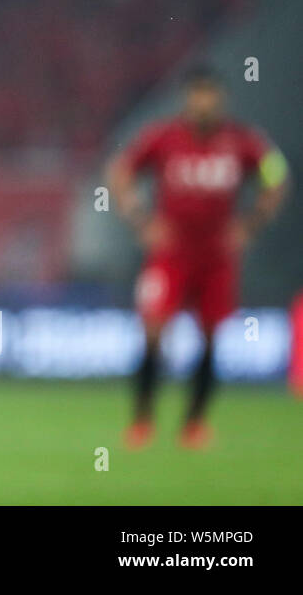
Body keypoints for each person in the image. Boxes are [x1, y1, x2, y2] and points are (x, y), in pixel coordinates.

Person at [108, 65, 288, 449]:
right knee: (154, 330)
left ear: (220, 99)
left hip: (216, 256)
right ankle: (142, 421)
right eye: (197, 94)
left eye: (210, 95)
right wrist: (142, 221)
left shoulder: (243, 141)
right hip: (170, 254)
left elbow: (277, 176)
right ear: (187, 98)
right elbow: (121, 172)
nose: (204, 102)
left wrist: (249, 225)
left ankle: (195, 424)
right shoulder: (163, 137)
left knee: (209, 338)